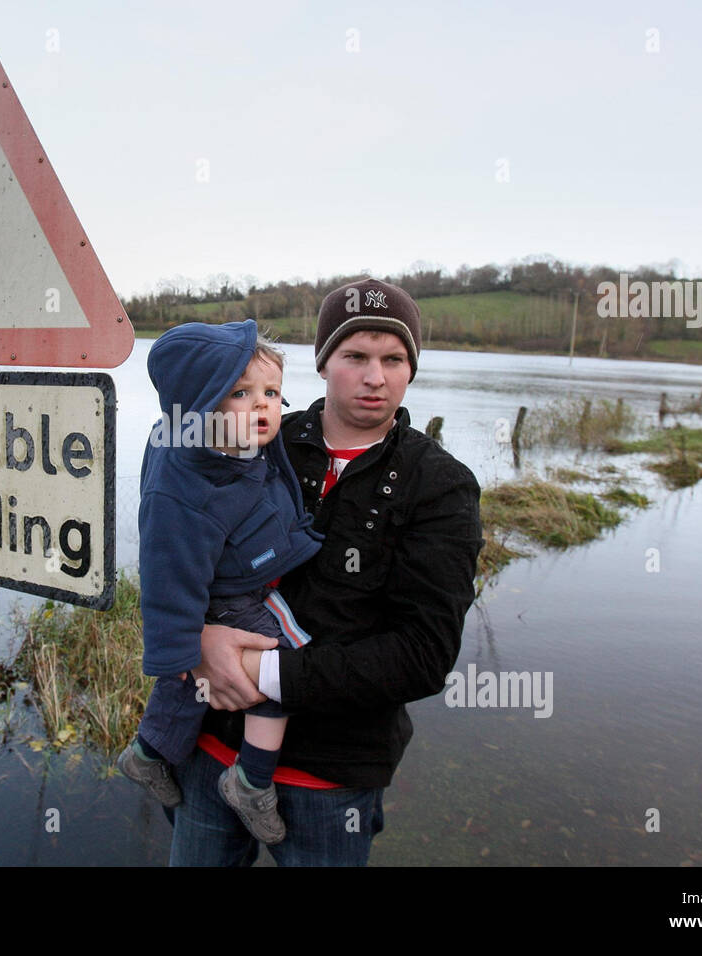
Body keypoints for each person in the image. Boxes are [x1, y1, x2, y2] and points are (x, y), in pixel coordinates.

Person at [166, 277, 485, 866]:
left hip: (332, 778)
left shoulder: (439, 484)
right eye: (355, 356)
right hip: (212, 743)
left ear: (411, 369)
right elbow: (177, 548)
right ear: (323, 363)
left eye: (394, 359)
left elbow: (424, 653)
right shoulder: (261, 438)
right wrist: (199, 641)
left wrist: (268, 674)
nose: (375, 377)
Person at [118, 319, 322, 844]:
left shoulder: (237, 444)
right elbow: (168, 575)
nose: (264, 407)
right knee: (284, 672)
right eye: (241, 393)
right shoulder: (187, 486)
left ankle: (148, 753)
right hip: (229, 596)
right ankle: (250, 782)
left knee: (190, 690)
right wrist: (176, 650)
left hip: (240, 581)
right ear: (201, 403)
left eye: (272, 393)